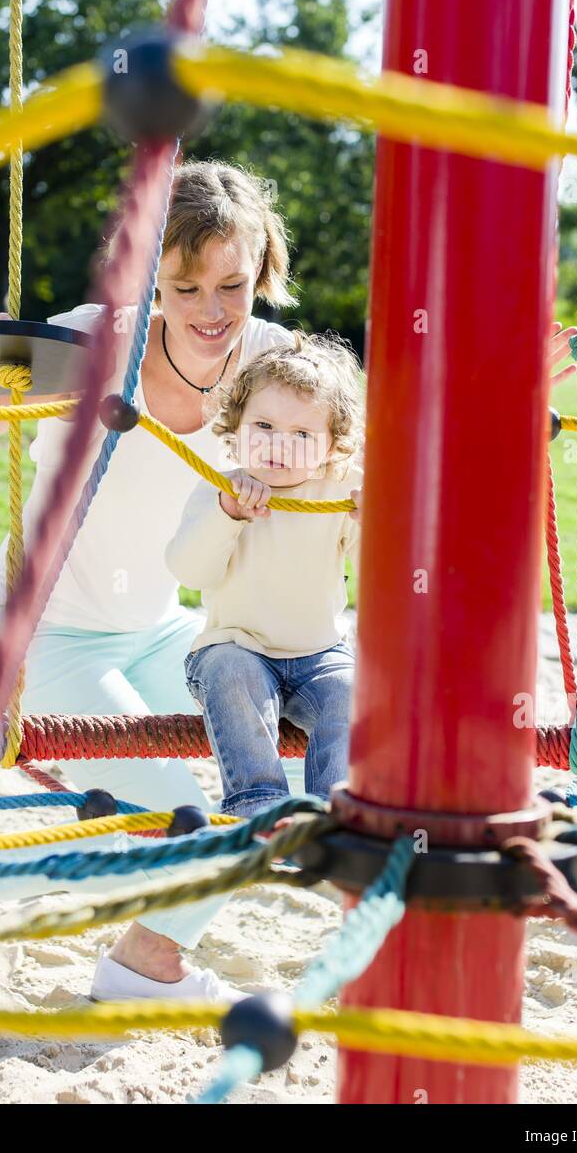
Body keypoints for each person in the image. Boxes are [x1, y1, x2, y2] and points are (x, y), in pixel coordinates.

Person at [0, 161, 300, 1002]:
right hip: (45, 632)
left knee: (276, 796)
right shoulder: (91, 343)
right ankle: (24, 919)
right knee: (177, 827)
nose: (212, 312)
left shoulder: (269, 359)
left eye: (233, 285)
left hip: (160, 632)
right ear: (151, 276)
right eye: (185, 288)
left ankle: (69, 932)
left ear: (263, 270)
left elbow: (364, 454)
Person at [166, 331, 363, 818]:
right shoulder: (222, 487)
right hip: (236, 646)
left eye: (302, 435)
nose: (280, 446)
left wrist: (375, 523)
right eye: (265, 425)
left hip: (321, 653)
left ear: (333, 446)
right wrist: (226, 514)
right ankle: (259, 802)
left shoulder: (341, 491)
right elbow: (189, 571)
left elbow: (382, 584)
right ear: (236, 427)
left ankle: (331, 812)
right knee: (231, 673)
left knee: (353, 693)